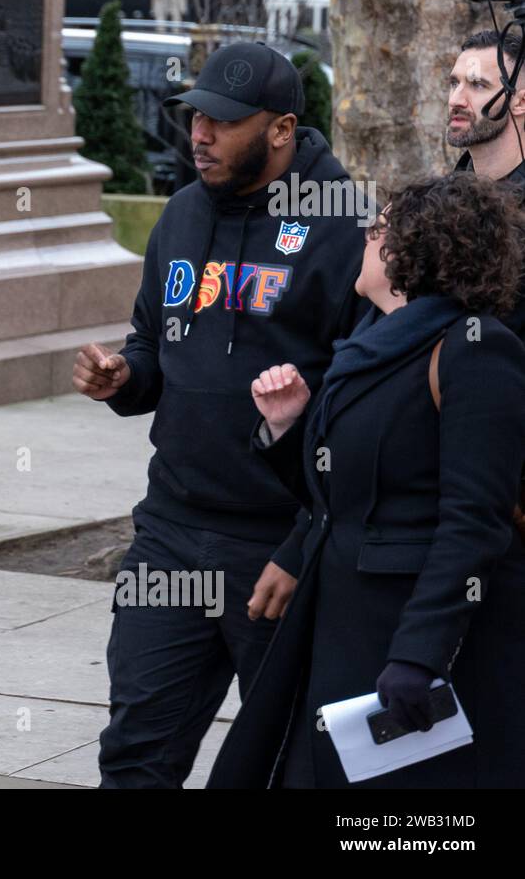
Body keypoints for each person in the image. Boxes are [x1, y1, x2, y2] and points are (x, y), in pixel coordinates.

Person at [72, 41, 368, 788]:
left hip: (278, 542)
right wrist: (125, 375)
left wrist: (304, 544)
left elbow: (362, 401)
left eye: (222, 122)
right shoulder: (179, 216)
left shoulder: (343, 225)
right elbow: (153, 340)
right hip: (170, 530)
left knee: (283, 760)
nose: (199, 134)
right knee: (136, 747)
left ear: (281, 129)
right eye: (195, 117)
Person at [208, 172, 525, 788]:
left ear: (418, 252)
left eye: (379, 229)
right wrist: (289, 428)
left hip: (409, 637)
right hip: (340, 623)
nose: (366, 237)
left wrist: (418, 654)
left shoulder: (476, 350)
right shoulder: (370, 343)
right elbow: (339, 496)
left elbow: (473, 522)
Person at [447, 28, 525, 337]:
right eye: (454, 83)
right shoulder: (443, 201)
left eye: (477, 85)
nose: (456, 100)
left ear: (520, 102)